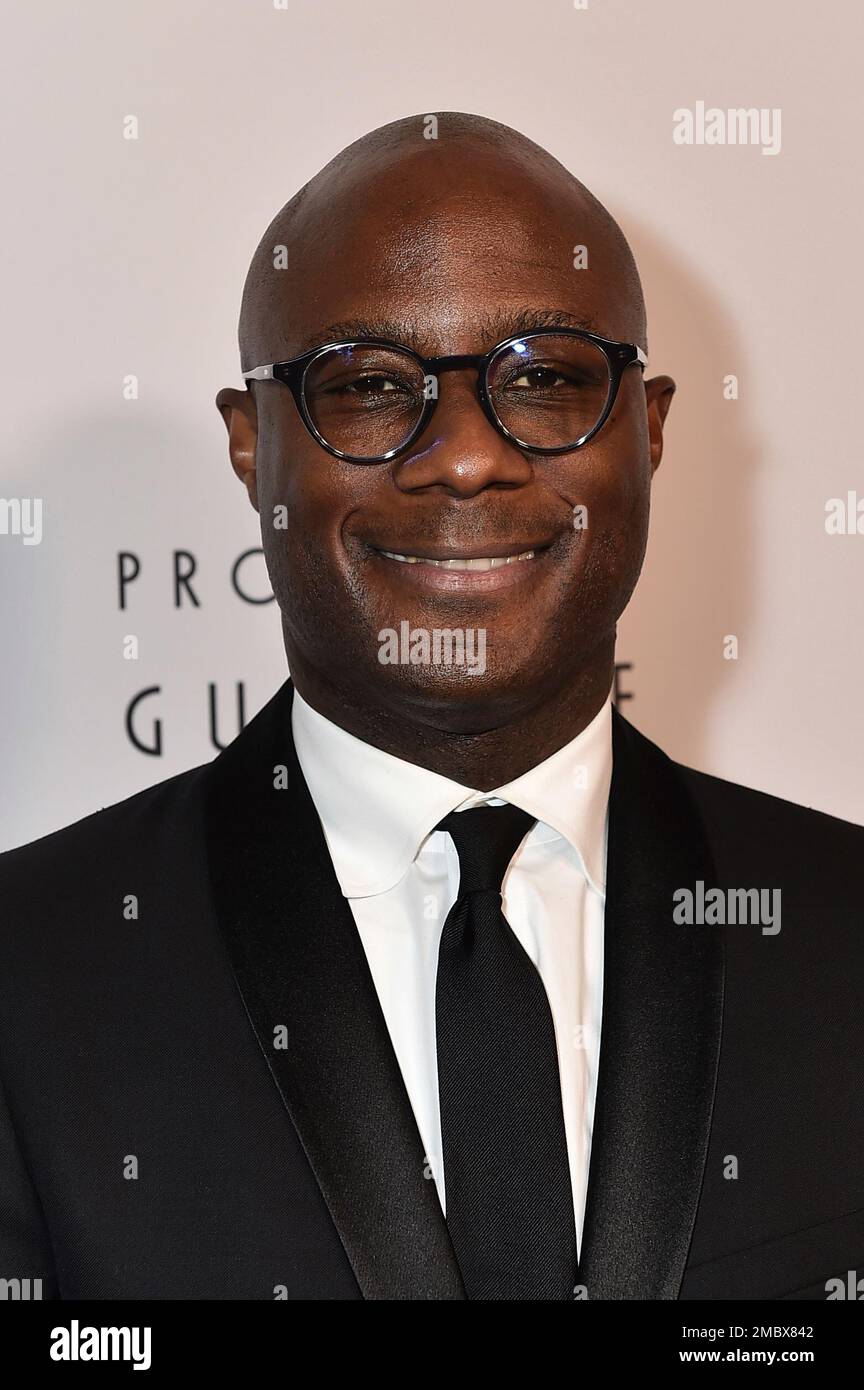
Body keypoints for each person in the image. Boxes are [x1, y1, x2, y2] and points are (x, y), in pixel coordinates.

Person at [1, 113, 861, 1301]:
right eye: (367, 386)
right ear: (254, 448)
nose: (464, 457)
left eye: (546, 376)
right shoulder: (33, 977)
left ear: (651, 427)